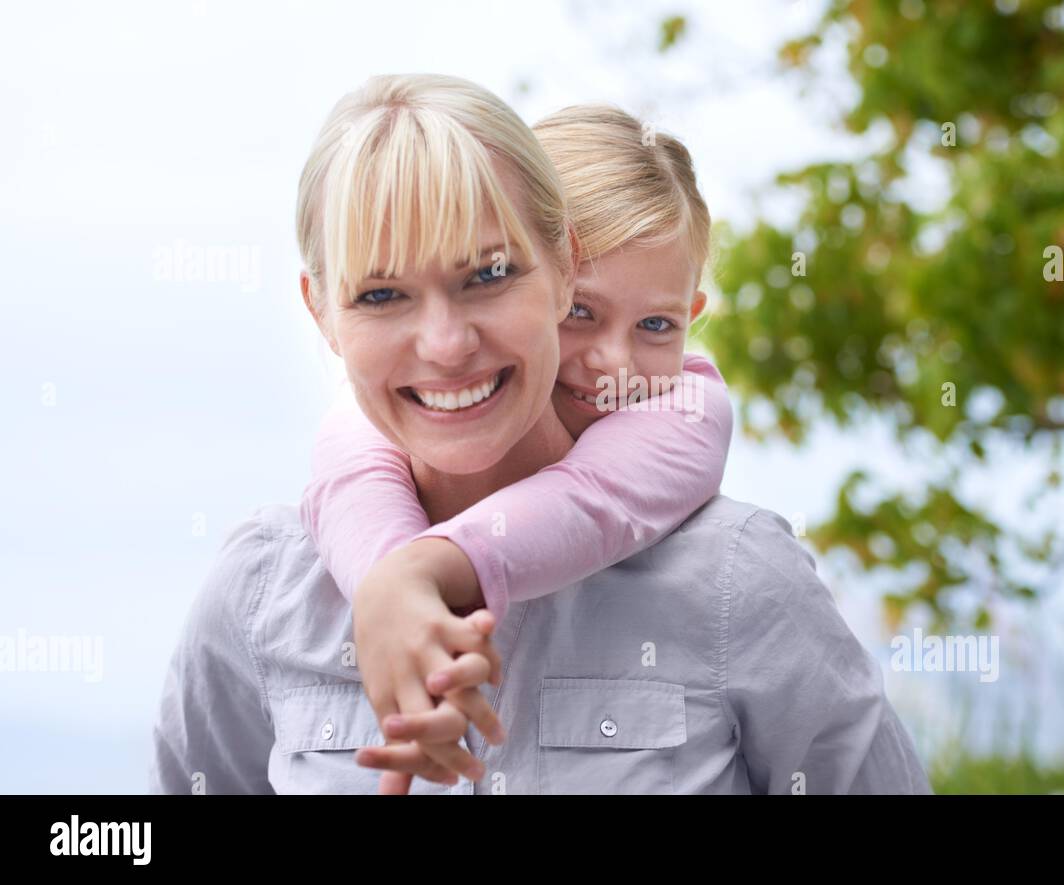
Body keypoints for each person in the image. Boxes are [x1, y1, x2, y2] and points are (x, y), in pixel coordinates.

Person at [148, 73, 931, 795]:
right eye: (382, 294)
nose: (446, 344)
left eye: (487, 275)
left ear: (563, 267)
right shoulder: (259, 595)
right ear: (321, 312)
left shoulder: (735, 577)